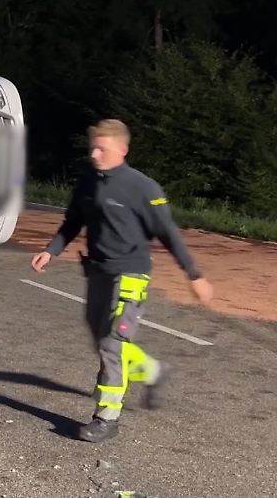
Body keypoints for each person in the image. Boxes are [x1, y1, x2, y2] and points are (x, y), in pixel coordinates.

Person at [30, 119, 213, 443]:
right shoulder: (88, 182)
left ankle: (106, 418)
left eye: (103, 149)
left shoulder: (143, 188)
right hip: (98, 271)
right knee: (100, 337)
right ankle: (153, 372)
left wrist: (193, 274)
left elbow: (168, 233)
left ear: (122, 150)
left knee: (111, 345)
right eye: (93, 148)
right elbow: (73, 221)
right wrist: (51, 250)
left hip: (131, 274)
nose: (95, 154)